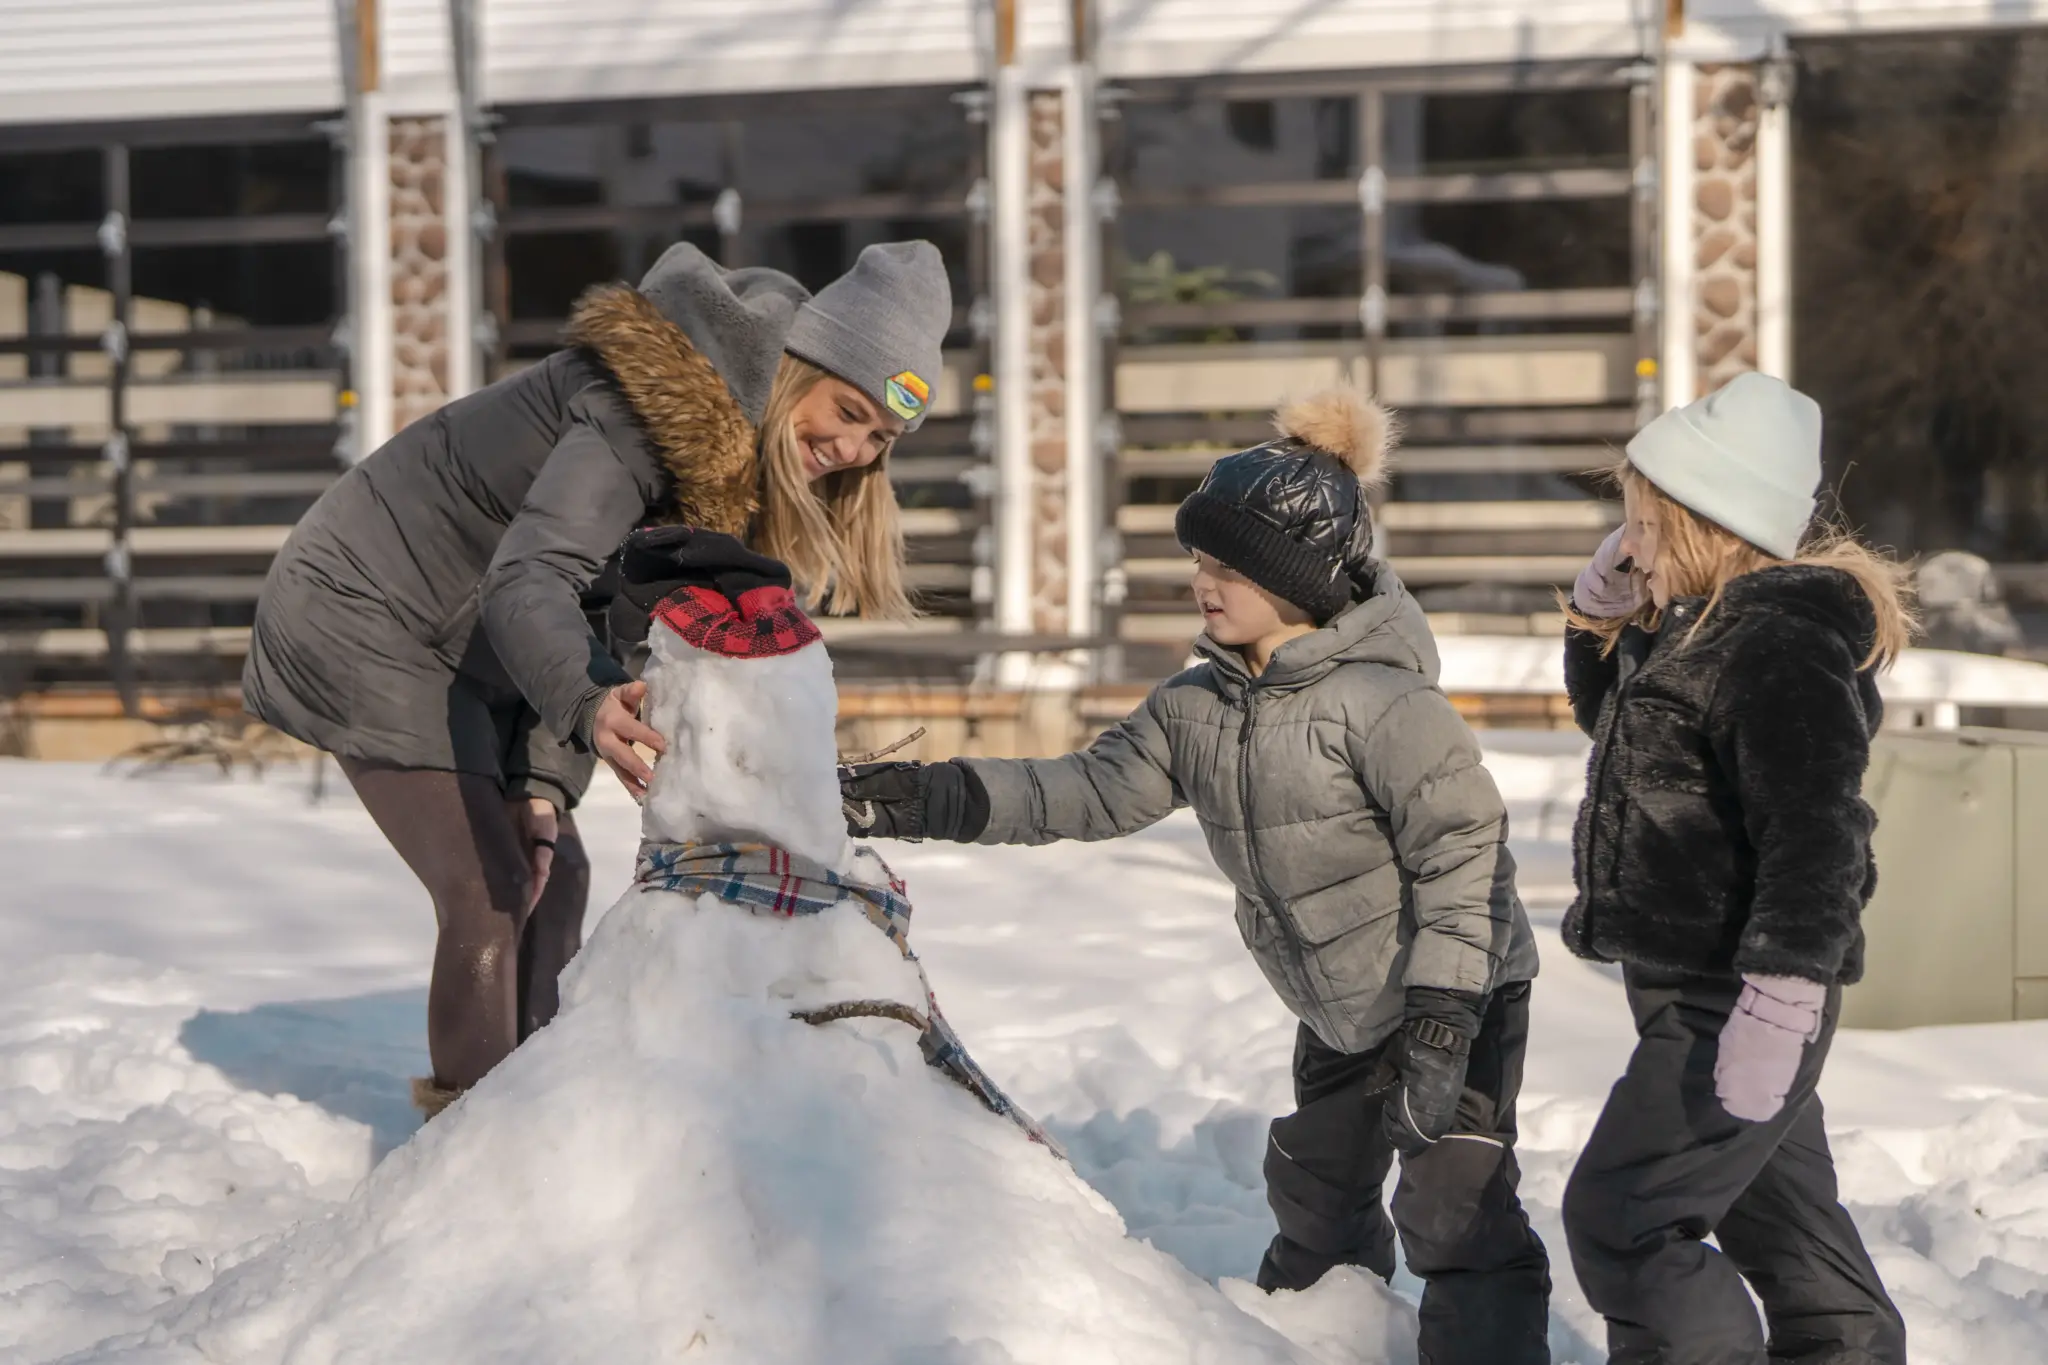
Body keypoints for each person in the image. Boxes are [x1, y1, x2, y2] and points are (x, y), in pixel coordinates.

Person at [839, 389, 1552, 1365]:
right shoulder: (1196, 708)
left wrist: (1440, 1019)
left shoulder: (1386, 706)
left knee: (1451, 1204)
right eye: (1198, 561)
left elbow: (1463, 857)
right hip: (1338, 1005)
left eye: (1225, 566)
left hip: (1451, 991)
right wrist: (927, 797)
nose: (1199, 583)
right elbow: (1083, 790)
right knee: (1317, 1190)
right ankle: (1318, 1345)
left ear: (1293, 579)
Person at [243, 240, 952, 1116]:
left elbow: (596, 613)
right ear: (800, 366)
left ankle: (542, 1120)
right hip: (363, 608)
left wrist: (542, 778)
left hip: (473, 639)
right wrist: (584, 703)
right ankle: (466, 1161)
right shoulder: (646, 410)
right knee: (488, 888)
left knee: (554, 870)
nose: (850, 446)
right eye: (848, 409)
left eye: (879, 438)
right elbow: (534, 576)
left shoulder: (728, 457)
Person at [1558, 372, 1911, 1365]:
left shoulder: (1777, 645)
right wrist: (1603, 628)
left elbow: (1816, 830)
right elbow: (1629, 744)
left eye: (1640, 525)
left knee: (1624, 1219)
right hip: (1698, 986)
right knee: (1784, 1236)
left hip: (1741, 995)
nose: (1625, 544)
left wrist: (1783, 994)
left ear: (1707, 524)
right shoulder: (1705, 632)